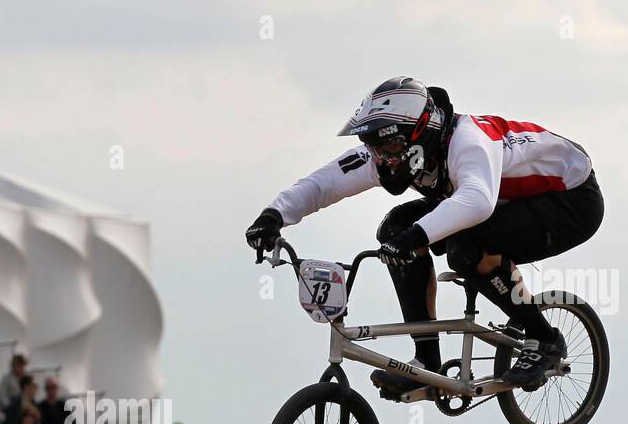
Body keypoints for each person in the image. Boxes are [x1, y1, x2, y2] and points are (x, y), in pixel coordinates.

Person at [246, 76, 604, 393]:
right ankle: (427, 360)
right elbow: (326, 183)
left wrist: (418, 237)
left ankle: (545, 340)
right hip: (504, 201)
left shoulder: (469, 143)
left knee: (467, 249)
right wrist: (274, 215)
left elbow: (477, 202)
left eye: (384, 149)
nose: (380, 159)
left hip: (569, 200)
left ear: (417, 135)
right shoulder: (394, 151)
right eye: (373, 149)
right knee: (394, 231)